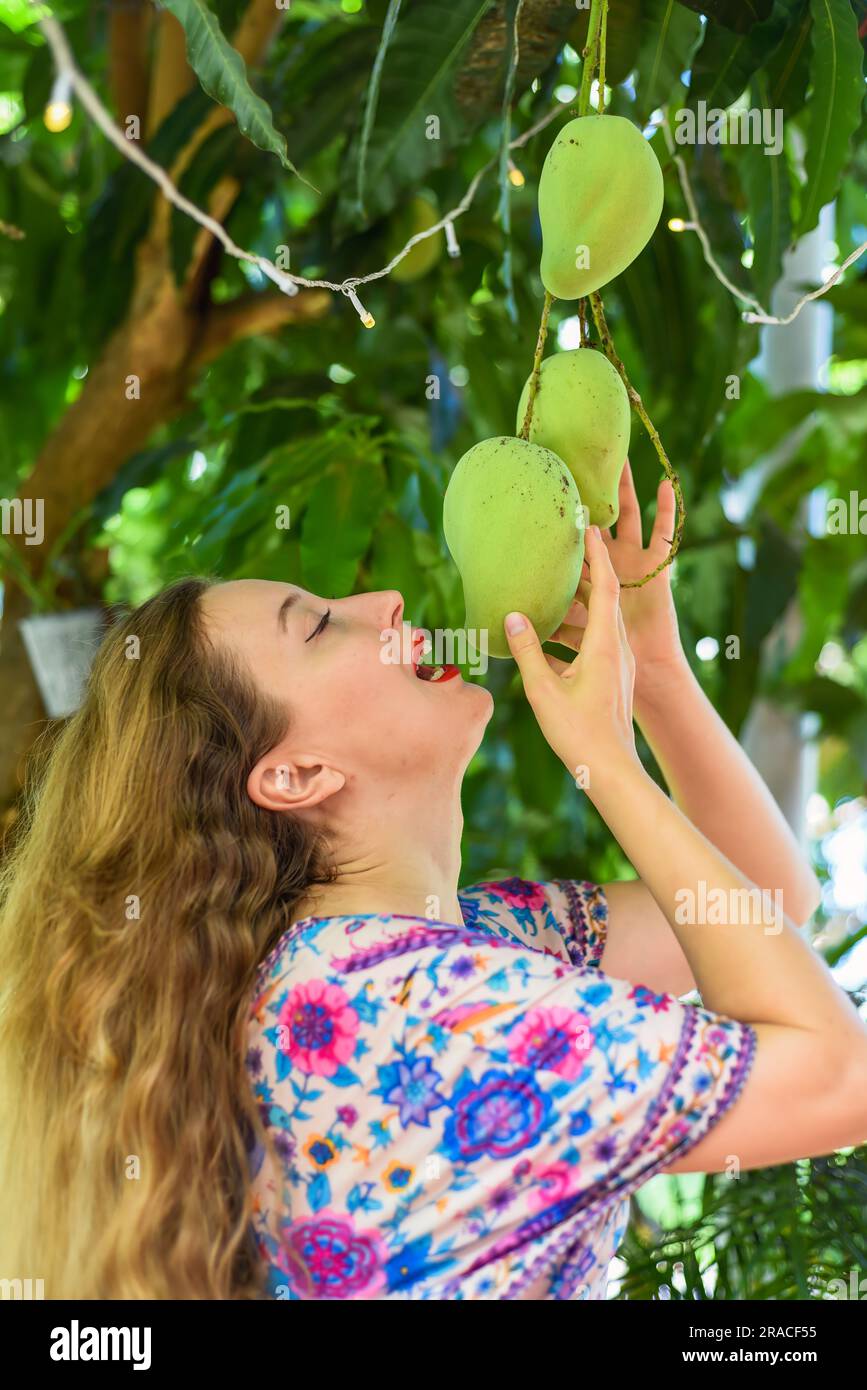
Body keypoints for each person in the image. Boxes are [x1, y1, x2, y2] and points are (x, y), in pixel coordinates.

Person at [0, 466, 864, 1300]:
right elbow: (840, 1082)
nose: (385, 603)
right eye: (317, 626)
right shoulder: (417, 1007)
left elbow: (759, 904)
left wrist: (656, 676)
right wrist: (602, 761)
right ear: (296, 774)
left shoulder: (412, 962)